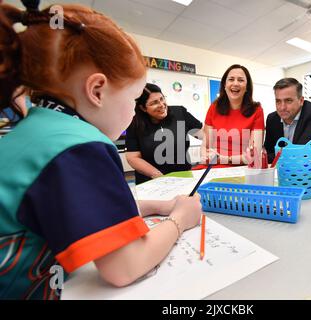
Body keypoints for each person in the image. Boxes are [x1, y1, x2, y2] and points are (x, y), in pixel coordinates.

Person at [0, 2, 202, 299]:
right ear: (97, 91)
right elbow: (124, 266)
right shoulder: (80, 145)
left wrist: (156, 206)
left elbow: (90, 213)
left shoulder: (39, 130)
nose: (135, 113)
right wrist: (181, 218)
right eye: (134, 99)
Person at [125, 83, 203, 184]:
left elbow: (203, 134)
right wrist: (158, 175)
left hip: (183, 177)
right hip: (151, 181)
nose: (162, 105)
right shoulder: (134, 124)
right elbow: (133, 158)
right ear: (143, 108)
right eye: (154, 103)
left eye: (162, 99)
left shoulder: (180, 113)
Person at [199, 64, 265, 168]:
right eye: (231, 79)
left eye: (240, 80)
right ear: (224, 85)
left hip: (240, 169)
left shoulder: (256, 111)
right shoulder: (214, 108)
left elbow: (254, 156)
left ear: (247, 87)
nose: (235, 83)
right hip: (211, 167)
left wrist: (223, 159)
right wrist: (205, 155)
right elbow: (205, 147)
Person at [264, 78, 311, 161]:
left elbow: (300, 153)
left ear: (301, 101)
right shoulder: (272, 119)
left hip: (310, 169)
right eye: (278, 101)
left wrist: (270, 156)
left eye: (288, 101)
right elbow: (267, 153)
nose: (282, 107)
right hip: (281, 170)